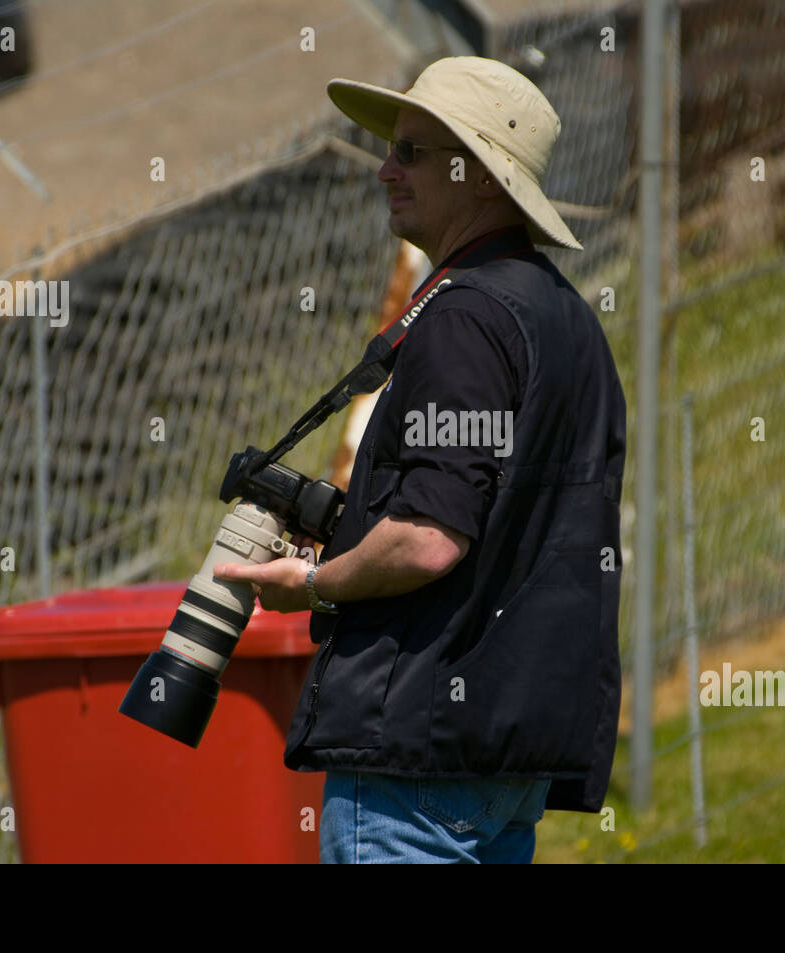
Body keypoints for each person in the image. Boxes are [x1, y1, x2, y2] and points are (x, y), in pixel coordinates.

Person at [213, 56, 626, 864]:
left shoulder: (465, 318)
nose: (384, 169)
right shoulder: (566, 318)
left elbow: (428, 537)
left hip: (419, 756)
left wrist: (315, 583)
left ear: (478, 174)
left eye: (411, 151)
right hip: (508, 751)